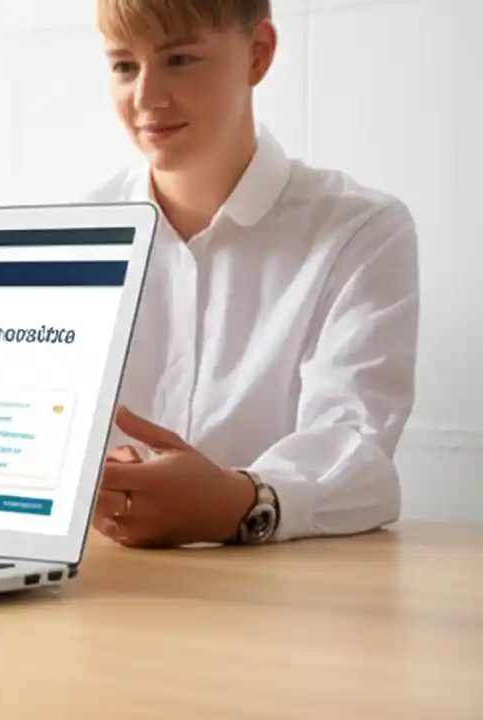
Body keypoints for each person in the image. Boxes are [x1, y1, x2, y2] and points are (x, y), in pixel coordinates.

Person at [87, 0, 419, 548]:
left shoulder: (360, 231)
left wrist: (238, 501)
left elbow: (357, 452)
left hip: (279, 601)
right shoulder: (83, 235)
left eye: (180, 60)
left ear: (258, 55)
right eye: (125, 66)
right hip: (99, 586)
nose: (145, 98)